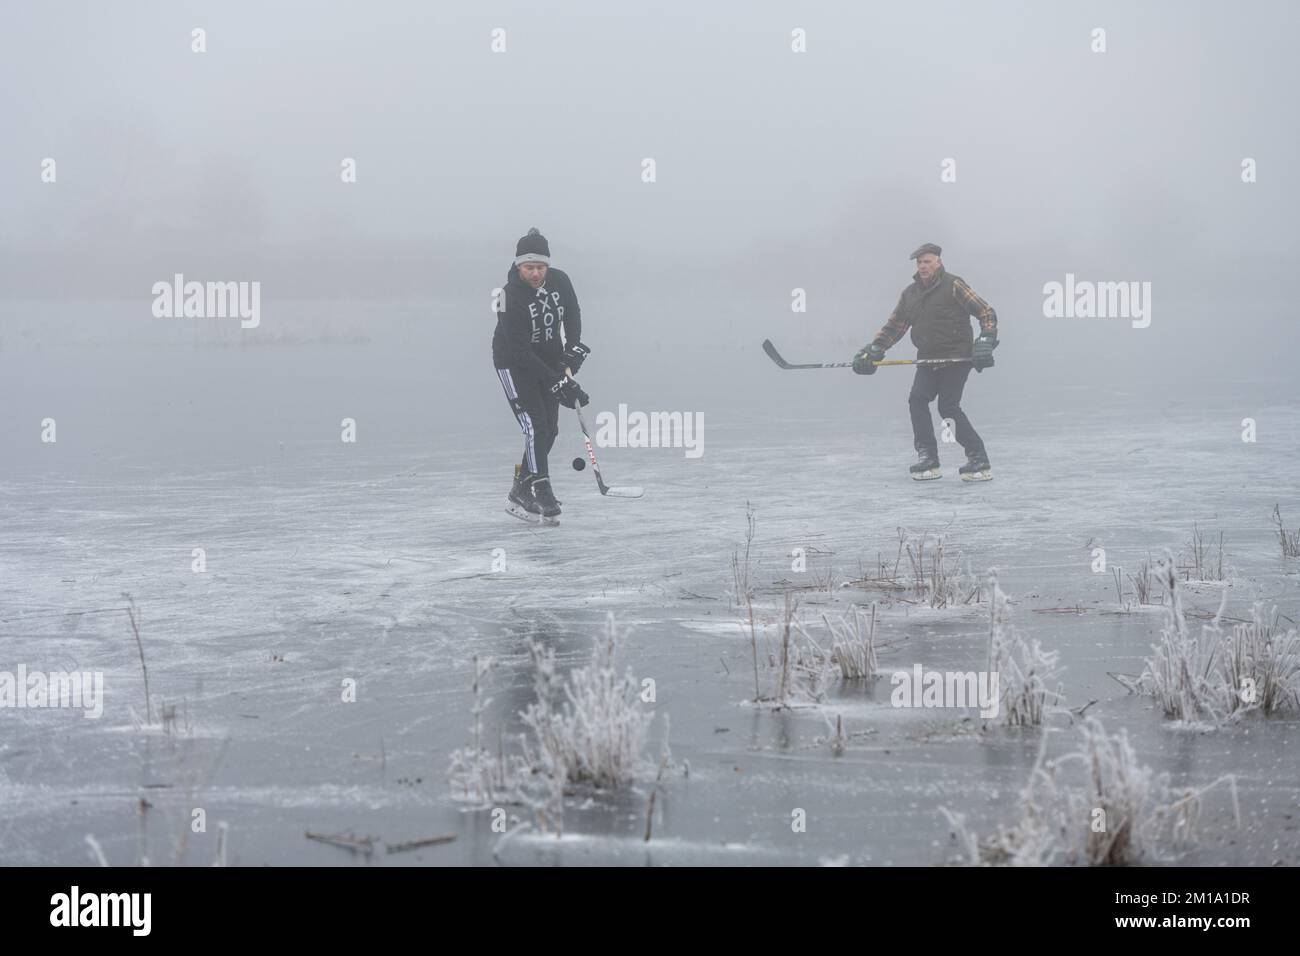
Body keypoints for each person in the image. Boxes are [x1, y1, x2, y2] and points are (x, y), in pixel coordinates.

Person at [853, 243, 998, 481]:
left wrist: (985, 340)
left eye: (927, 261)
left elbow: (986, 312)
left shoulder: (954, 285)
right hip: (928, 358)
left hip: (957, 357)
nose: (923, 266)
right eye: (919, 263)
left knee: (947, 407)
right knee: (917, 400)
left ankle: (978, 458)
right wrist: (875, 349)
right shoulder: (910, 294)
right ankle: (928, 457)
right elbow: (895, 326)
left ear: (939, 262)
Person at [492, 228, 591, 522]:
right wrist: (557, 381)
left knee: (550, 429)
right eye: (528, 268)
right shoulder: (507, 297)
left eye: (540, 267)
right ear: (518, 266)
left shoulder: (560, 280)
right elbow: (520, 352)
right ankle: (540, 487)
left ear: (547, 265)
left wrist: (572, 352)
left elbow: (573, 314)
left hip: (548, 359)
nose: (535, 274)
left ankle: (520, 489)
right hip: (514, 364)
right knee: (534, 426)